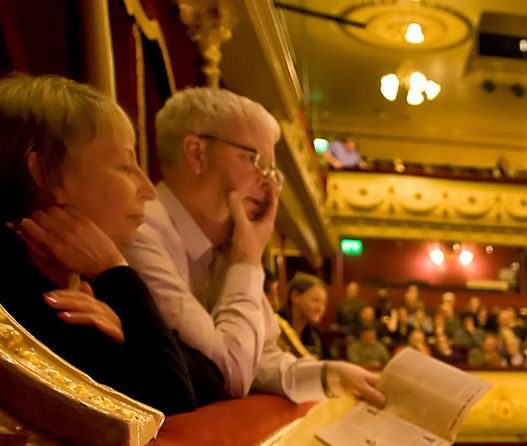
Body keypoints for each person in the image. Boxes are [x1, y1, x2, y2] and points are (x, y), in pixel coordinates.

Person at [122, 87, 384, 406]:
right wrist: (247, 259)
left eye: (272, 171)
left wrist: (333, 375)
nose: (269, 184)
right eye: (254, 160)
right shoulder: (139, 230)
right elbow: (231, 373)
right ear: (196, 154)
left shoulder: (224, 246)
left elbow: (261, 358)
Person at [0, 74, 221, 414]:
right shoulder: (24, 302)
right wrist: (116, 271)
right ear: (44, 171)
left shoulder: (89, 290)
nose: (147, 190)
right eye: (124, 165)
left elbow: (212, 377)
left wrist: (126, 326)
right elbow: (173, 398)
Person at [277, 272, 327, 358]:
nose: (321, 308)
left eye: (324, 303)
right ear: (294, 296)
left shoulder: (314, 337)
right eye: (315, 300)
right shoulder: (275, 328)